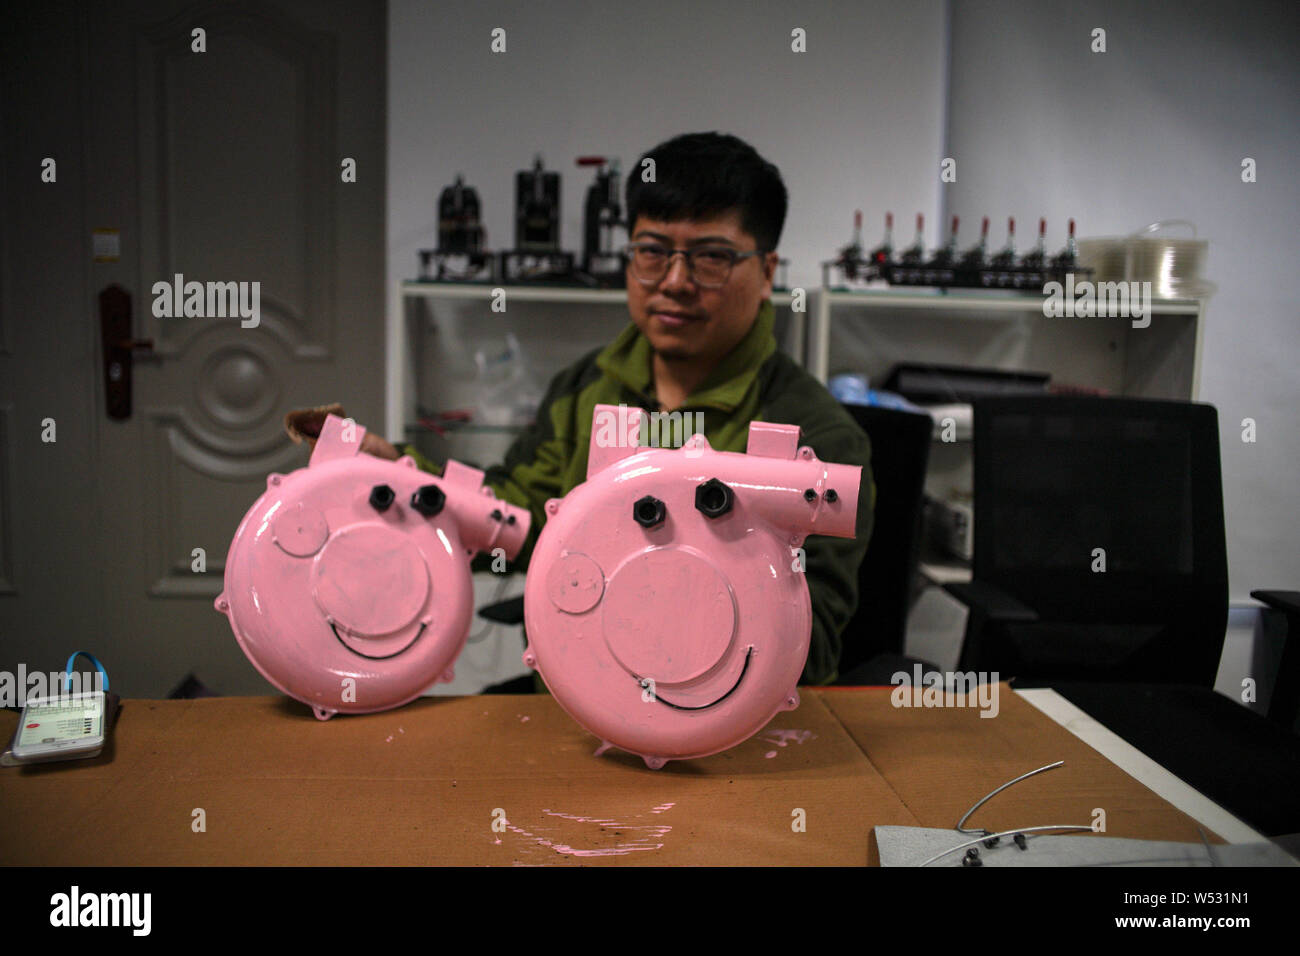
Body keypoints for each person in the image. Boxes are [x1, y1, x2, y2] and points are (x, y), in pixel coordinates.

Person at [293, 132, 875, 684]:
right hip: (576, 697)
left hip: (723, 725)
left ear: (768, 271)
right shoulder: (584, 389)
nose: (674, 281)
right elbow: (516, 515)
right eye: (652, 251)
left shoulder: (816, 436)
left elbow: (813, 646)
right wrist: (399, 475)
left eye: (711, 258)